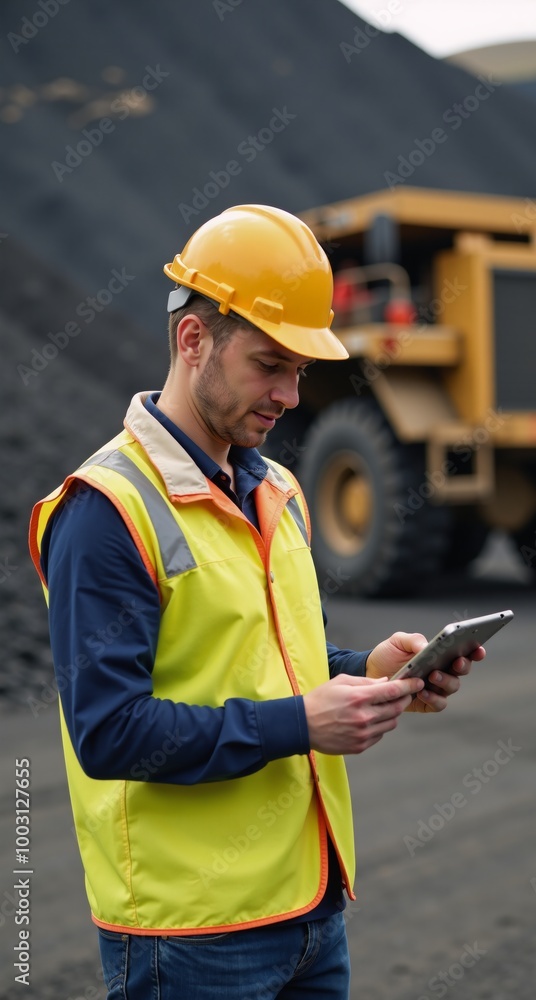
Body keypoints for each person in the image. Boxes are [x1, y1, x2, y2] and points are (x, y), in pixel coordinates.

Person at [29, 205, 484, 1000]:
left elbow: (271, 660)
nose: (290, 395)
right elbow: (107, 732)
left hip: (310, 910)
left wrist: (369, 670)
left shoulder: (277, 488)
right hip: (192, 937)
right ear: (193, 340)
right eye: (270, 365)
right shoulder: (105, 509)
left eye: (301, 371)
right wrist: (304, 723)